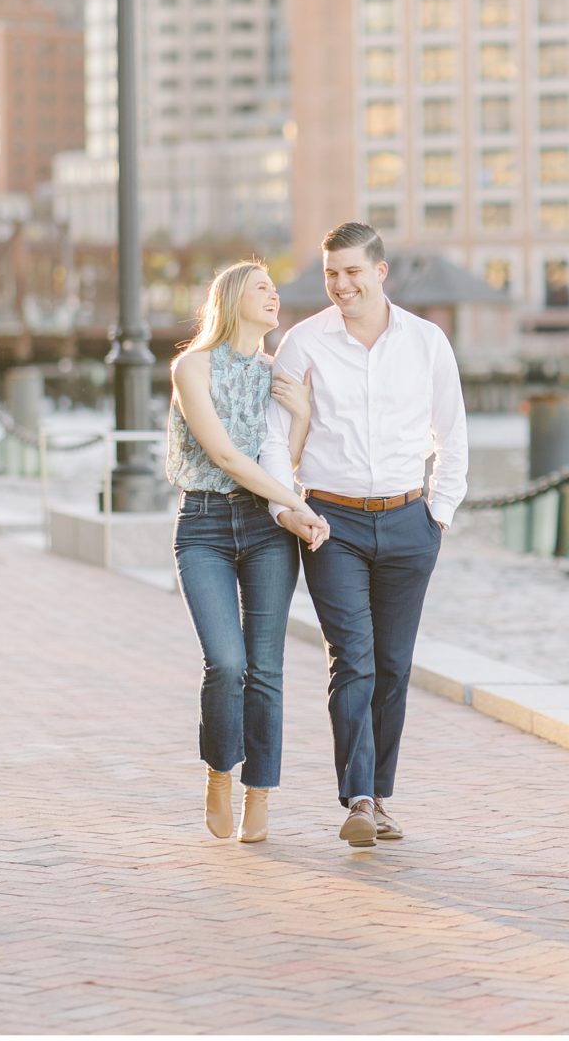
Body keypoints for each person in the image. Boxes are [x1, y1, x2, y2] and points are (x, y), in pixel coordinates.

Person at [259, 222, 468, 846]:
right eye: (331, 274)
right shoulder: (302, 343)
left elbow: (451, 434)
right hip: (332, 522)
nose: (341, 285)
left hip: (410, 521)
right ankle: (358, 799)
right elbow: (275, 435)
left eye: (352, 272)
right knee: (352, 660)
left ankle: (380, 795)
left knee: (393, 665)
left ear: (380, 272)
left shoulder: (427, 342)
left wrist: (439, 515)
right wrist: (286, 507)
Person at [167, 260, 330, 846]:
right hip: (205, 525)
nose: (274, 296)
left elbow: (274, 462)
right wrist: (302, 507)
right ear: (232, 297)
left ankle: (259, 794)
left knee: (265, 669)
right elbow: (227, 457)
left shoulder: (274, 373)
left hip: (265, 528)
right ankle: (219, 772)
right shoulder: (192, 366)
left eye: (275, 289)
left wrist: (304, 417)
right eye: (262, 287)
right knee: (226, 663)